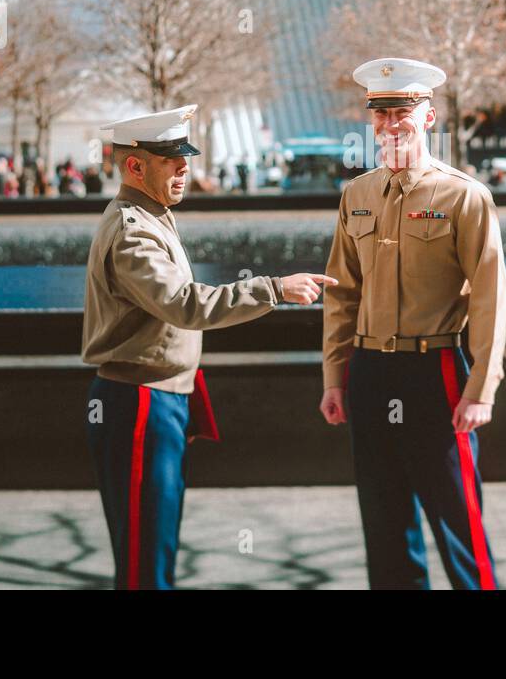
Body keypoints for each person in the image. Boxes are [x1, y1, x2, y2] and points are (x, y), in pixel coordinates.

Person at [82, 104, 337, 590]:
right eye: (170, 158)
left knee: (155, 545)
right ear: (134, 166)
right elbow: (184, 305)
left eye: (185, 157)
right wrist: (274, 289)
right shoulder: (135, 231)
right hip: (140, 403)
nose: (184, 168)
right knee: (144, 557)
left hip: (156, 398)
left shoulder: (150, 215)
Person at [320, 58, 506, 590]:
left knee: (460, 528)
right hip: (371, 373)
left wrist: (481, 389)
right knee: (384, 529)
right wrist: (336, 379)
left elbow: (493, 300)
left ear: (428, 117)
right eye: (380, 114)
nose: (390, 124)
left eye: (402, 111)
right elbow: (340, 296)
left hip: (438, 374)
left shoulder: (464, 196)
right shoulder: (356, 196)